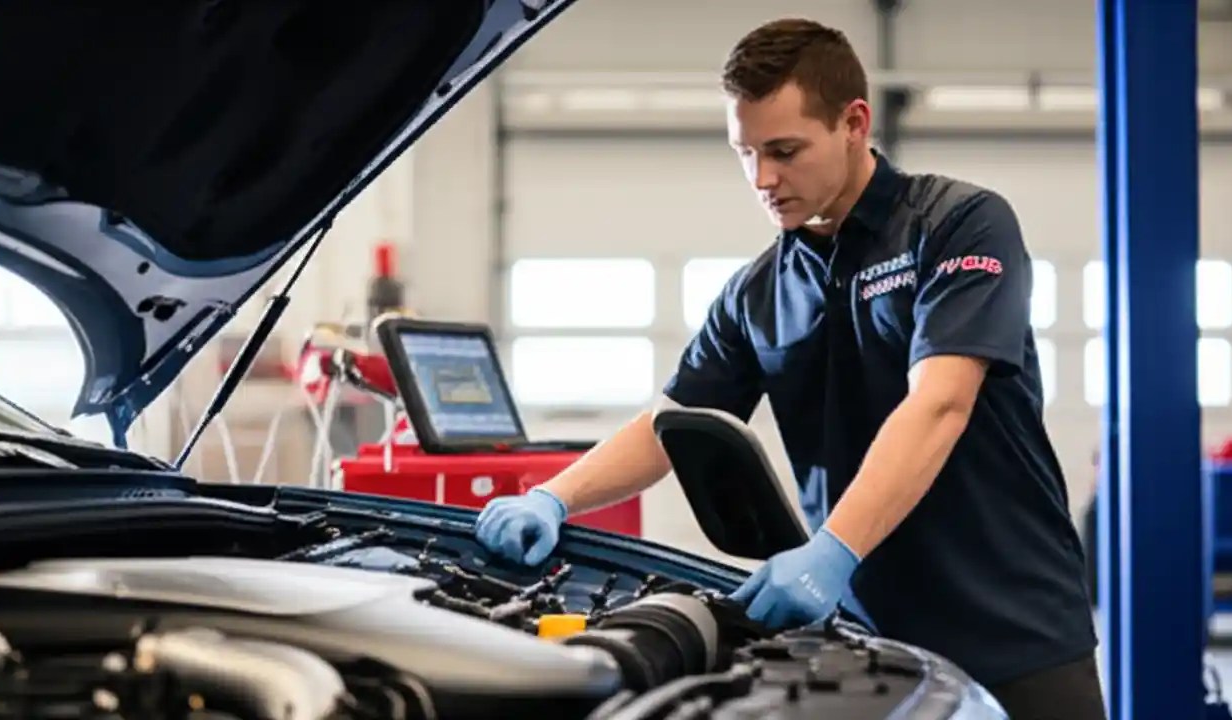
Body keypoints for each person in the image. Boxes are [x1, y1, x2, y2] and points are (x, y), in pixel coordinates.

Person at [473, 17, 1104, 720]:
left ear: (855, 122)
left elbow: (941, 403)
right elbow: (670, 426)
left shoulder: (958, 225)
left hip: (1012, 634)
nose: (763, 179)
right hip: (866, 644)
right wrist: (553, 498)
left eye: (785, 150)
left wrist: (833, 547)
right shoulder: (759, 292)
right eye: (745, 153)